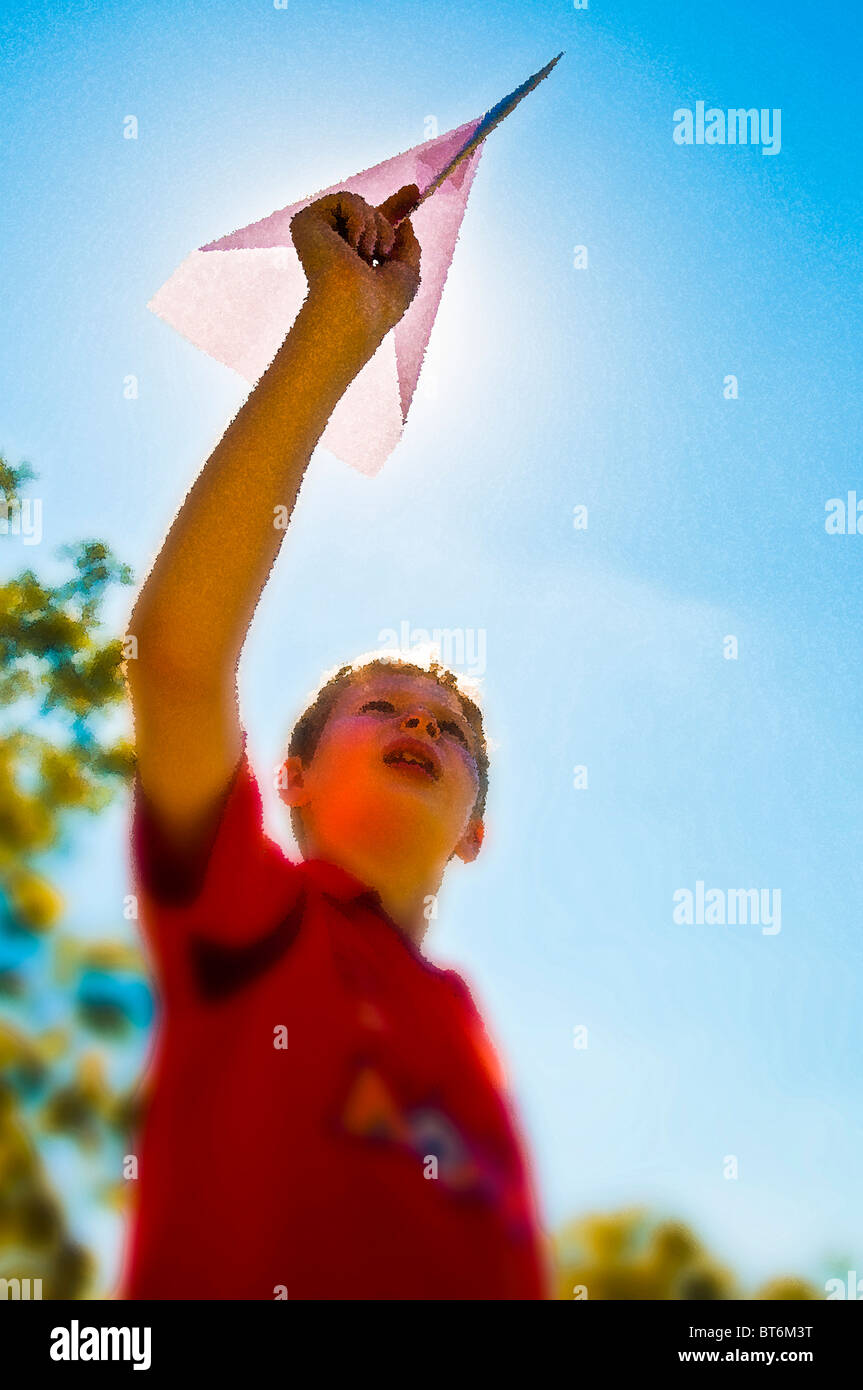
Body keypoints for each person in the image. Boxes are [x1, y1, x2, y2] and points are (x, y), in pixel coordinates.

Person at [122, 184, 549, 1299]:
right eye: (384, 706)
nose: (420, 722)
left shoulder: (461, 1027)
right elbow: (176, 655)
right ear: (291, 778)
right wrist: (337, 329)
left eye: (449, 729)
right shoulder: (255, 919)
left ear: (474, 833)